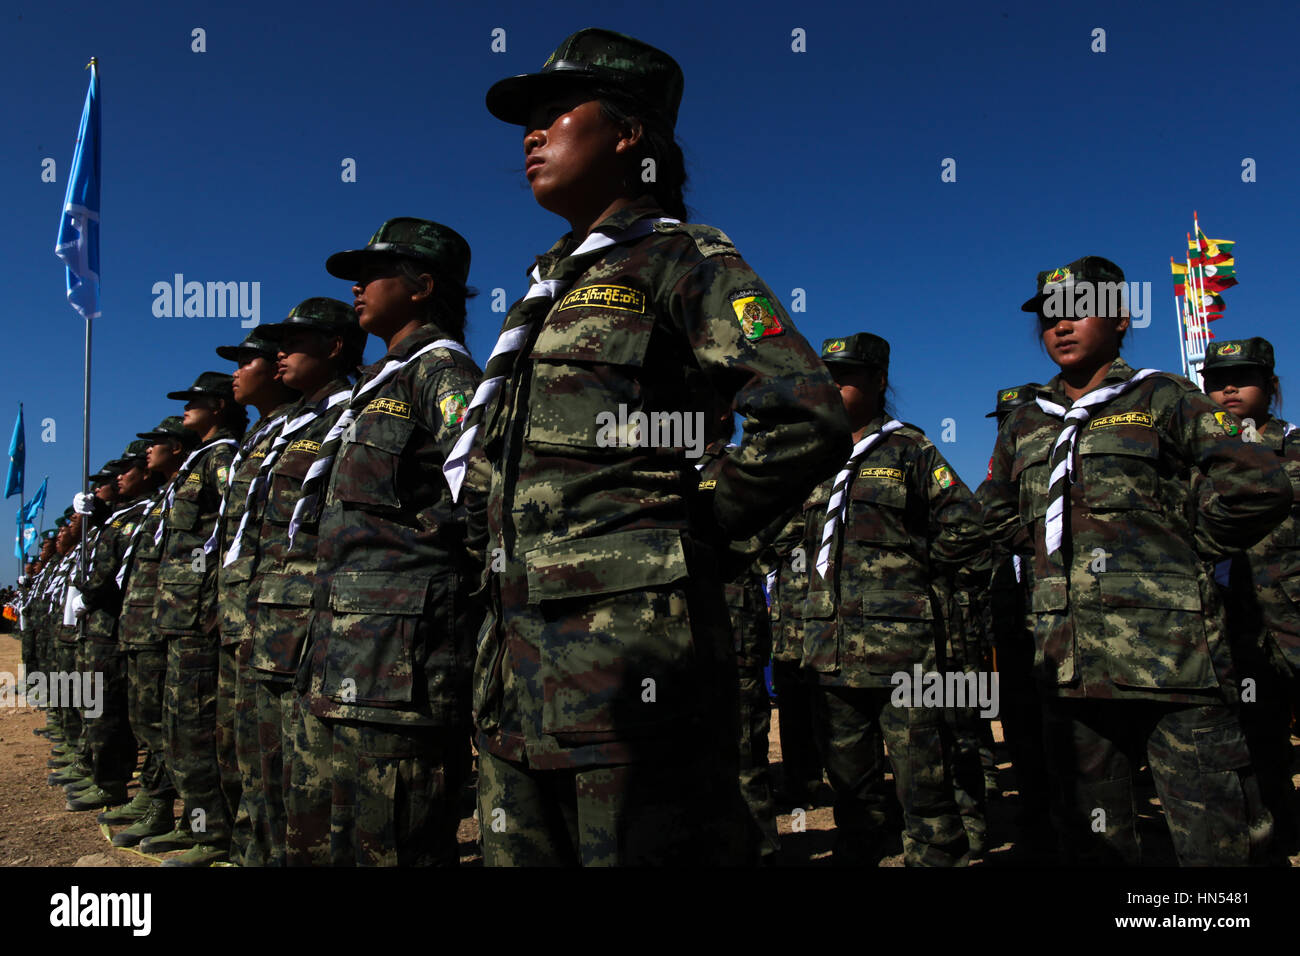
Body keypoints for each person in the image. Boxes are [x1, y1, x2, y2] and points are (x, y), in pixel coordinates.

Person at [464, 28, 851, 865]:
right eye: (527, 119)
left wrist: (697, 536)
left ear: (630, 131)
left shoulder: (680, 258)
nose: (532, 133)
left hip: (629, 675)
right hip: (514, 676)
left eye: (556, 110)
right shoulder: (542, 294)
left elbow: (805, 414)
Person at [982, 256, 1291, 865]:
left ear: (1122, 318)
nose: (1060, 327)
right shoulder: (1025, 421)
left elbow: (1259, 483)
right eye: (1048, 317)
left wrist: (1187, 552)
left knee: (1214, 837)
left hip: (1174, 657)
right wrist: (1048, 560)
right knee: (1090, 837)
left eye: (1078, 310)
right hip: (1066, 662)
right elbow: (992, 512)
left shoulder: (1164, 396)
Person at [286, 220, 484, 866]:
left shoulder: (442, 372)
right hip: (341, 657)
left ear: (423, 286)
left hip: (402, 673)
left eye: (373, 272)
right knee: (329, 840)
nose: (356, 286)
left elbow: (485, 488)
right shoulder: (374, 389)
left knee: (392, 844)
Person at [802, 333, 987, 866]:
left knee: (922, 776)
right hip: (829, 648)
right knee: (848, 780)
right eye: (826, 377)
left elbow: (967, 528)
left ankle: (936, 855)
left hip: (904, 650)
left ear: (879, 382)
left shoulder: (910, 450)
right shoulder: (815, 459)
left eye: (846, 378)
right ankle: (859, 851)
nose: (833, 387)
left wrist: (910, 577)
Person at [242, 297, 361, 866]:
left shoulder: (349, 411)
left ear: (333, 348)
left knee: (309, 779)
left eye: (294, 341)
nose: (278, 353)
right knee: (264, 762)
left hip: (314, 626)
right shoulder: (294, 426)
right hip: (268, 620)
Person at [1203, 336, 1300, 860]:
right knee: (1257, 746)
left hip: (1296, 620)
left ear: (1270, 385)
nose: (1229, 389)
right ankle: (1275, 841)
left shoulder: (1297, 448)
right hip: (1236, 628)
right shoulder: (1198, 462)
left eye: (1242, 378)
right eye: (1216, 381)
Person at [211, 328, 300, 865]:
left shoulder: (309, 425)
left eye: (248, 360)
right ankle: (247, 850)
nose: (237, 371)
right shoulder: (257, 439)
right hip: (241, 608)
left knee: (274, 754)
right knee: (240, 748)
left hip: (280, 612)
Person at [148, 374, 244, 866]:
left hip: (201, 612)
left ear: (220, 406)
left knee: (197, 728)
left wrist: (216, 602)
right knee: (177, 728)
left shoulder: (223, 458)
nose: (187, 409)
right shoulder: (198, 461)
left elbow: (237, 527)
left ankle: (215, 834)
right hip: (180, 613)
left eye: (196, 401)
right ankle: (196, 822)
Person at [976, 384, 1054, 854]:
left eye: (1016, 417)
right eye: (1002, 420)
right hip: (1013, 628)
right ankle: (1036, 823)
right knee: (1022, 727)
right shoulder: (996, 491)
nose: (1008, 427)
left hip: (1063, 625)